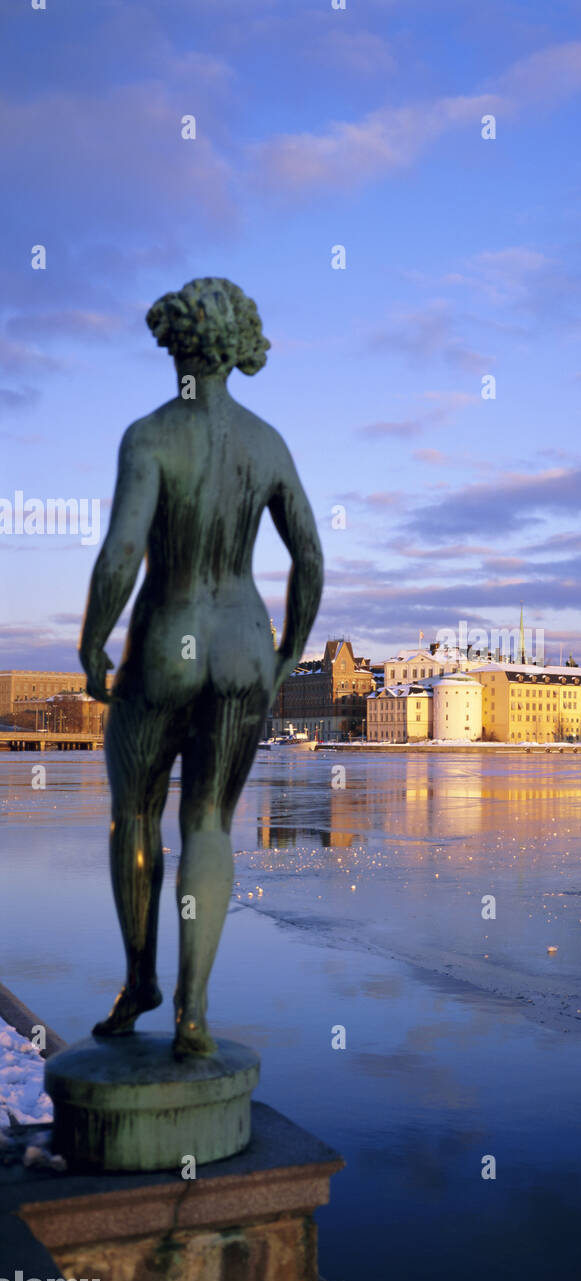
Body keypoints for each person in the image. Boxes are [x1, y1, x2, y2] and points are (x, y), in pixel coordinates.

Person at [79, 278, 323, 1057]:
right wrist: (288, 650)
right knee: (211, 824)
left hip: (165, 640)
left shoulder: (150, 437)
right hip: (244, 646)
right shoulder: (266, 443)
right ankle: (193, 1012)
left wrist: (93, 641)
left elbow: (122, 553)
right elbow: (310, 559)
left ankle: (140, 980)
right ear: (237, 349)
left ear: (176, 345)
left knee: (138, 816)